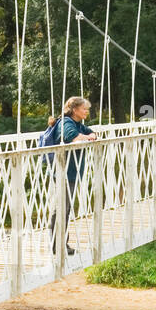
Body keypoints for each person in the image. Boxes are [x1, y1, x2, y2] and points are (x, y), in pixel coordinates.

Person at [46, 96, 97, 255]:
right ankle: (57, 244)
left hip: (71, 172)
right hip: (63, 172)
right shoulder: (66, 123)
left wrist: (90, 135)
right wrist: (87, 137)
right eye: (84, 109)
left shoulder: (77, 124)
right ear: (75, 110)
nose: (87, 112)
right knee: (61, 208)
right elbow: (73, 137)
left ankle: (61, 243)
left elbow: (90, 132)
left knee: (65, 208)